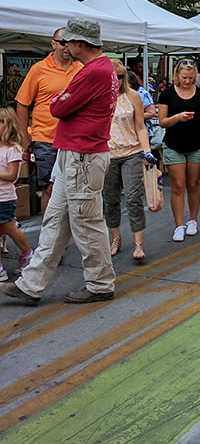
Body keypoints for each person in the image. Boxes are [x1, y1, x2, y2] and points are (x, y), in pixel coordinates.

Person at [2, 17, 118, 306]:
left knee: (85, 223)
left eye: (68, 42)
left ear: (80, 44)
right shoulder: (98, 69)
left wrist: (59, 102)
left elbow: (58, 106)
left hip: (83, 154)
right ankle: (31, 283)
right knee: (56, 221)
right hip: (75, 152)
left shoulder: (92, 72)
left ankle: (101, 283)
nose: (65, 46)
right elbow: (61, 105)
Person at [14, 27, 82, 212]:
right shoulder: (39, 69)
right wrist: (24, 137)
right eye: (62, 42)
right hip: (46, 138)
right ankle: (50, 238)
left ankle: (65, 234)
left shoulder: (80, 68)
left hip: (74, 139)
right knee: (50, 189)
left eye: (71, 42)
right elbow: (22, 103)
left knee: (74, 190)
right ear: (53, 44)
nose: (67, 47)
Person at [104, 61, 154, 262]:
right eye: (113, 76)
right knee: (110, 198)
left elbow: (140, 126)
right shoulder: (100, 97)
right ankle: (115, 237)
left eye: (121, 76)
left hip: (132, 151)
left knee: (133, 196)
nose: (117, 81)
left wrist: (147, 151)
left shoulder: (133, 96)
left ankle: (138, 242)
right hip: (107, 154)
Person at [157, 59, 200, 242]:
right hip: (173, 143)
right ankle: (179, 224)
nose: (187, 81)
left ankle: (193, 220)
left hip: (196, 144)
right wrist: (177, 118)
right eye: (184, 77)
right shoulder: (167, 95)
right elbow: (162, 121)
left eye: (190, 78)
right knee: (178, 185)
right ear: (177, 76)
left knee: (194, 183)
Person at [0, 107, 33, 282]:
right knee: (6, 229)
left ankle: (28, 254)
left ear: (9, 125)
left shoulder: (12, 150)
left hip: (4, 197)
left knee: (10, 228)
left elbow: (12, 176)